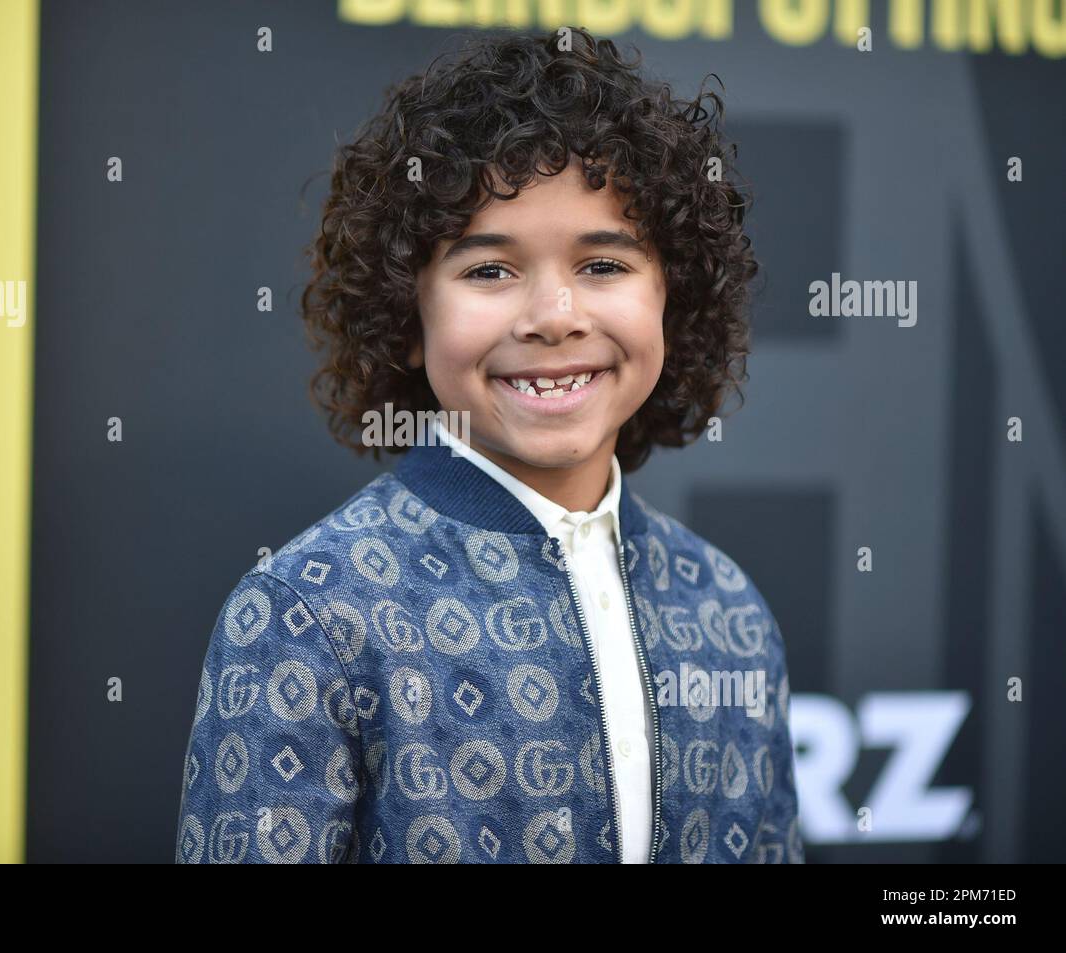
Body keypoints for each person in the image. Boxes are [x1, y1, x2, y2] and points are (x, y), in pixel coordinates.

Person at [176, 27, 802, 864]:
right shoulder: (307, 616)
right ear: (406, 314)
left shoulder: (728, 611)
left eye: (605, 265)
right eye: (489, 271)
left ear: (673, 295)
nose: (553, 314)